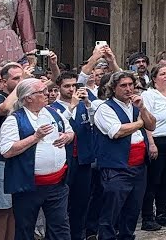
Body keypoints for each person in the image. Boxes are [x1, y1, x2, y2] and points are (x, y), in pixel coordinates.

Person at [0, 78, 75, 240]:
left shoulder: (54, 112)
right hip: (28, 186)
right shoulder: (14, 119)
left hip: (57, 184)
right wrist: (35, 137)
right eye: (42, 92)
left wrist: (67, 137)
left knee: (61, 227)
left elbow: (70, 131)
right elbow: (6, 151)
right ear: (28, 98)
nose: (47, 93)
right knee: (25, 229)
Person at [92, 72, 155, 240]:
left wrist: (142, 108)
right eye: (123, 85)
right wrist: (140, 123)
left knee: (132, 210)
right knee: (111, 212)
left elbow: (152, 125)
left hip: (139, 167)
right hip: (116, 168)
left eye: (130, 85)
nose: (128, 89)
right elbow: (117, 132)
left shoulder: (136, 105)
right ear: (113, 88)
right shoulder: (105, 108)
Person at [51, 72, 96, 240]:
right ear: (58, 88)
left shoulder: (84, 105)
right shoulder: (53, 108)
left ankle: (79, 235)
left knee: (82, 201)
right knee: (62, 203)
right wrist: (71, 107)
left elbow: (95, 123)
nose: (71, 89)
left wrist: (88, 104)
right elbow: (57, 127)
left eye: (74, 85)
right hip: (64, 161)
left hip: (83, 159)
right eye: (67, 86)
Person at [0, 61, 26, 240]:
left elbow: (51, 84)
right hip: (0, 160)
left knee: (14, 208)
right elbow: (4, 109)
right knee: (2, 208)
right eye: (16, 78)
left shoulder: (22, 98)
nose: (20, 81)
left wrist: (53, 65)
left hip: (18, 158)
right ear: (3, 81)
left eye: (22, 78)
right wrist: (20, 87)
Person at [139, 64, 166, 231]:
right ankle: (148, 216)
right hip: (157, 140)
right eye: (162, 74)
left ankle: (162, 213)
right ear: (154, 78)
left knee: (165, 179)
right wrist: (151, 143)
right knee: (153, 180)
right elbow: (146, 119)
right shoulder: (149, 95)